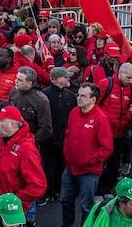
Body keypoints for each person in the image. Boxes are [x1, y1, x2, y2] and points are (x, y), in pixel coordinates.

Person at [62, 82, 114, 227]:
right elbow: (67, 135)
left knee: (86, 207)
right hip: (70, 168)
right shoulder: (74, 113)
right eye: (78, 95)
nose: (79, 98)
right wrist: (67, 154)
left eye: (83, 96)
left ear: (93, 99)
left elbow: (107, 148)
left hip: (89, 172)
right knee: (66, 200)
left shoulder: (100, 118)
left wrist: (89, 160)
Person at [0, 105, 46, 220]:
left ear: (12, 124)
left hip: (10, 211)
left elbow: (38, 186)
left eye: (0, 120)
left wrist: (13, 200)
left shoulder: (26, 149)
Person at [97, 63, 132, 197]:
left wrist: (131, 115)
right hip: (104, 133)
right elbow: (95, 105)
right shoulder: (105, 84)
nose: (130, 81)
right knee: (101, 164)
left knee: (114, 165)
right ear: (120, 73)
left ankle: (107, 190)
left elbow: (127, 108)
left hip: (120, 132)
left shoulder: (130, 88)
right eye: (128, 77)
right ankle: (98, 191)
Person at [41, 66, 76, 204]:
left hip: (65, 140)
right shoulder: (45, 94)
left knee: (62, 167)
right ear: (57, 79)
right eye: (66, 76)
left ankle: (58, 190)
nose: (69, 78)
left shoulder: (70, 95)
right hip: (49, 141)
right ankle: (48, 192)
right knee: (48, 167)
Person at [8, 66, 52, 146]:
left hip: (28, 143)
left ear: (29, 83)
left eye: (20, 80)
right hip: (11, 139)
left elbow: (46, 129)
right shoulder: (13, 92)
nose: (15, 81)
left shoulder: (41, 100)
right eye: (16, 78)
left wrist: (30, 143)